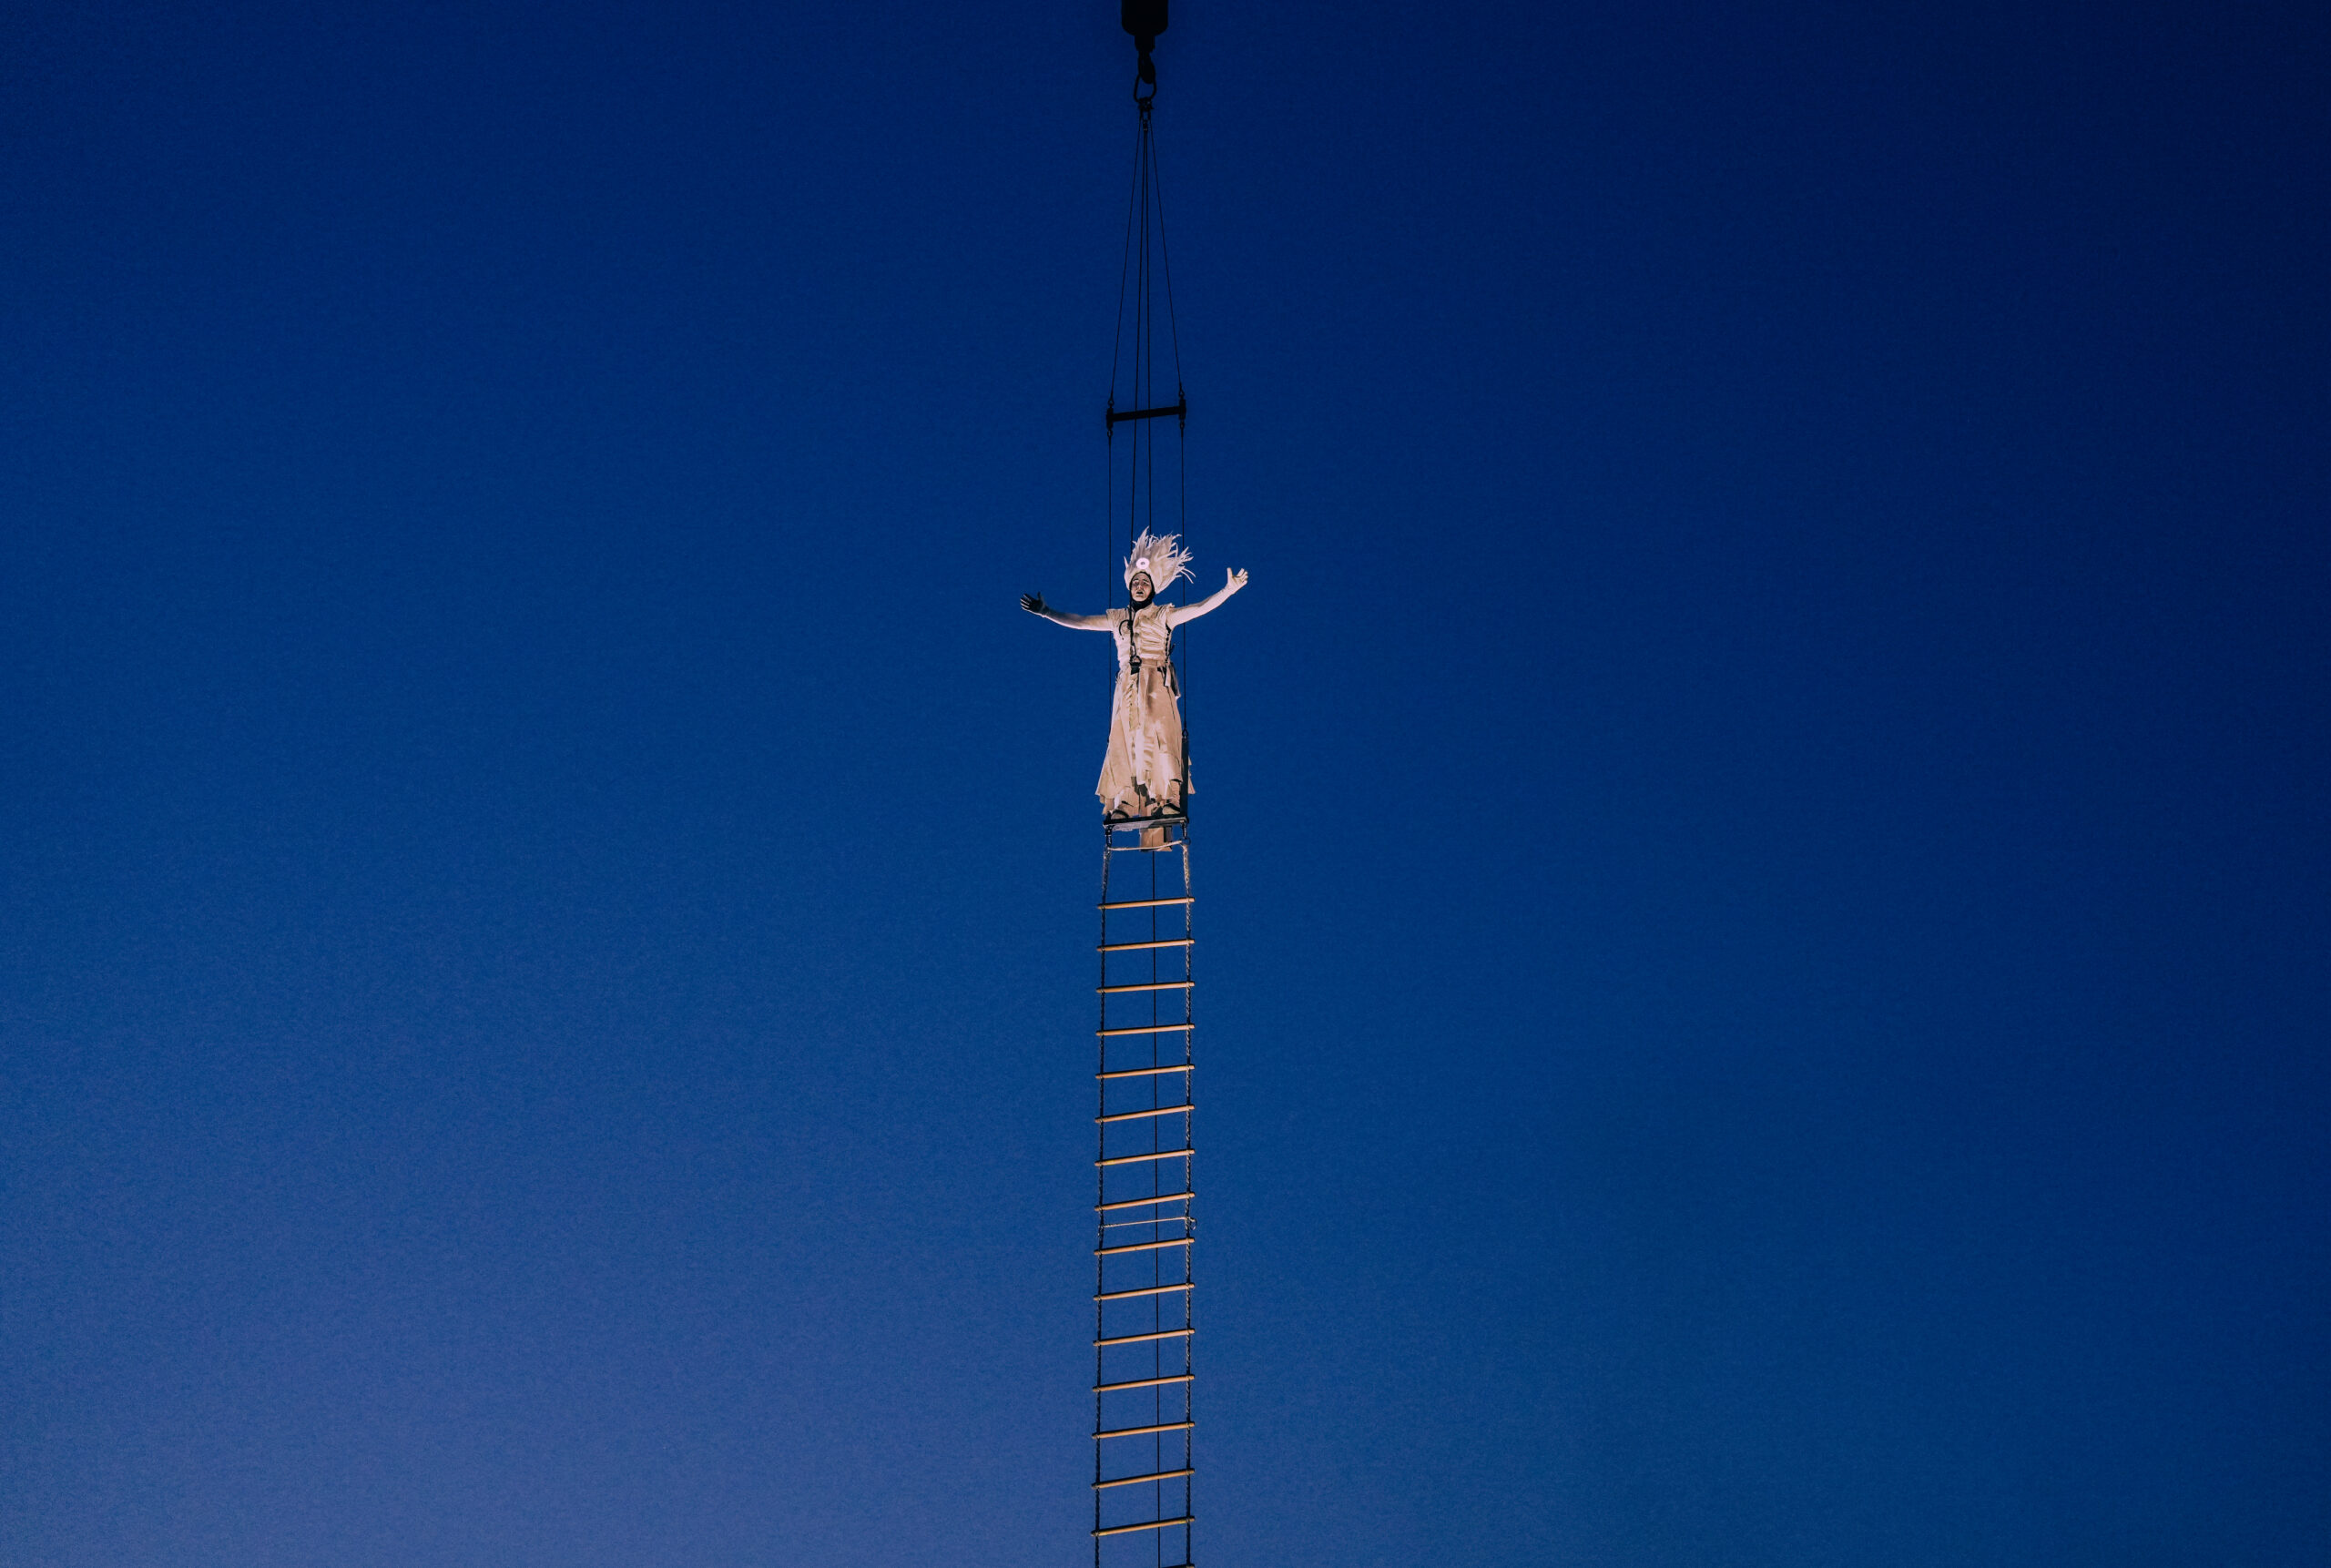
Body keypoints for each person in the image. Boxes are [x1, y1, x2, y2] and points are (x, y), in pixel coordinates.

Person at [1023, 531, 1247, 836]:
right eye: (1135, 582)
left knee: (1162, 739)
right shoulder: (1118, 618)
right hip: (1127, 687)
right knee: (1124, 741)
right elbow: (1081, 621)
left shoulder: (1163, 615)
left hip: (1156, 682)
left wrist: (1227, 590)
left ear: (1153, 588)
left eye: (1145, 583)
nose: (1139, 587)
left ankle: (1166, 798)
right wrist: (1047, 612)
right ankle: (1126, 800)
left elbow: (1198, 608)